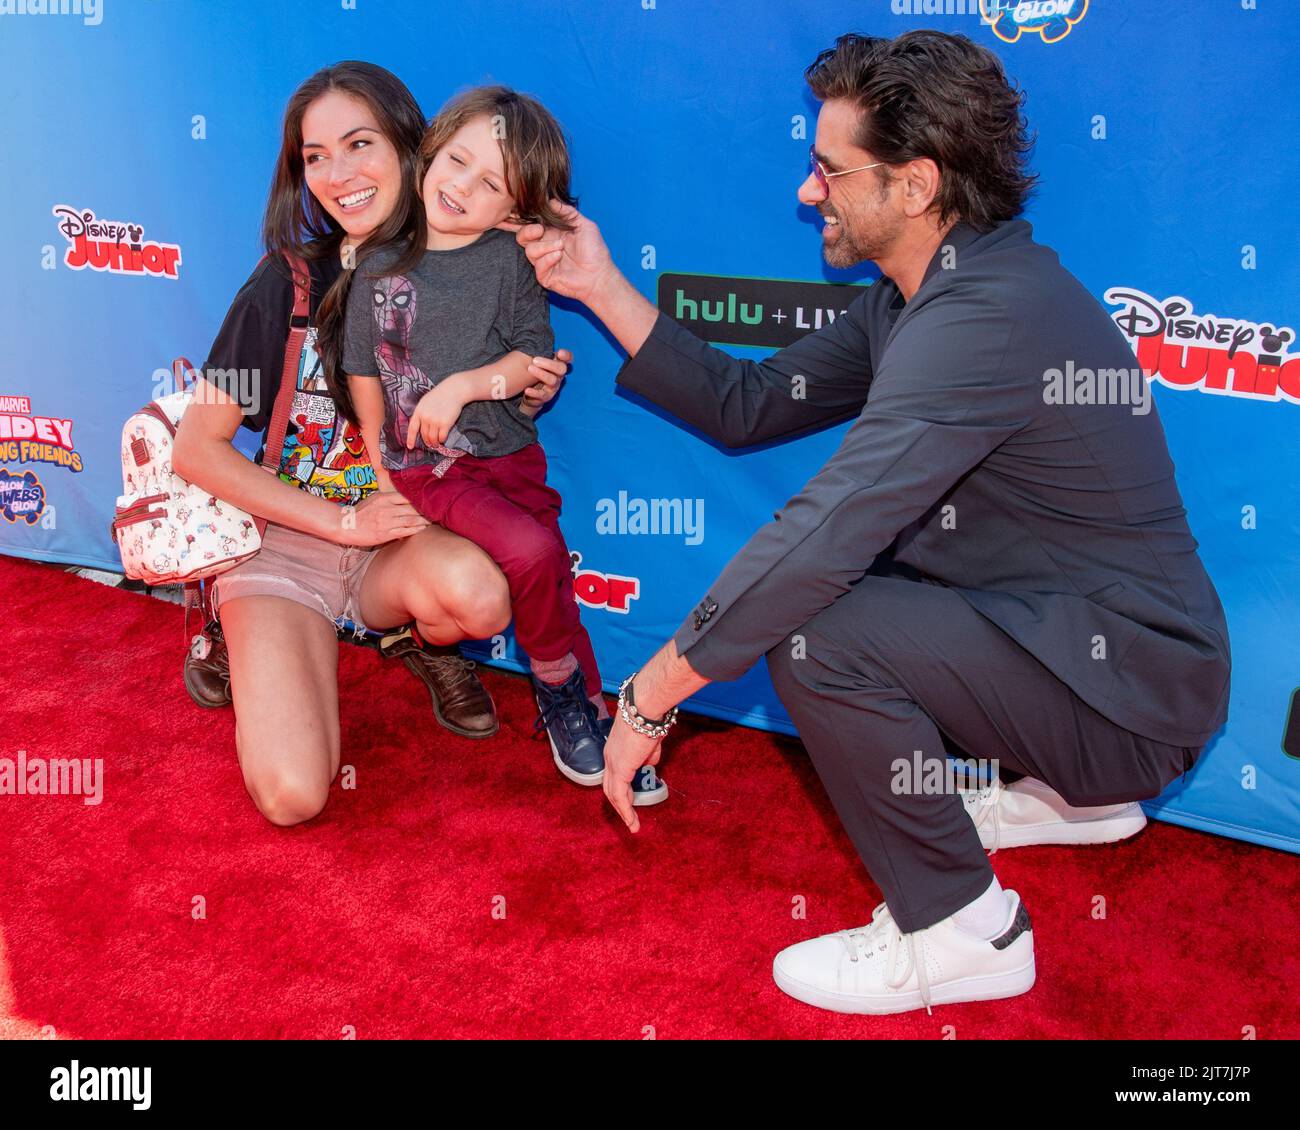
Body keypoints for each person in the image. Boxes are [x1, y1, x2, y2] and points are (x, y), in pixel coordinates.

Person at [511, 30, 1231, 1015]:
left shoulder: (980, 320)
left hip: (1131, 697)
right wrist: (597, 283)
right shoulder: (931, 294)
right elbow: (749, 404)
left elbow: (828, 528)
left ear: (915, 183)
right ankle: (1077, 800)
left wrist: (649, 693)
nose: (809, 192)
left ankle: (964, 930)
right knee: (869, 582)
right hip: (1093, 651)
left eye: (828, 169)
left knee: (817, 633)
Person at [172, 62, 571, 826]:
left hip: (401, 546)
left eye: (359, 144)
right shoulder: (288, 284)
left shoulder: (479, 262)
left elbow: (515, 364)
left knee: (484, 600)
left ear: (411, 145)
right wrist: (340, 523)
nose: (337, 174)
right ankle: (246, 630)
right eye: (314, 157)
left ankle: (414, 639)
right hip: (286, 546)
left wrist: (515, 386)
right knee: (293, 797)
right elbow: (199, 451)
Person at [321, 86, 664, 804]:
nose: (460, 186)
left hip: (512, 454)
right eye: (455, 161)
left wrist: (467, 385)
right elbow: (361, 371)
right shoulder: (378, 266)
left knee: (551, 582)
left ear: (514, 208)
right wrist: (383, 465)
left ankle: (597, 718)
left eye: (488, 184)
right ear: (430, 153)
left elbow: (531, 361)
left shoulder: (510, 261)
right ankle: (555, 692)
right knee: (534, 553)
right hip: (430, 464)